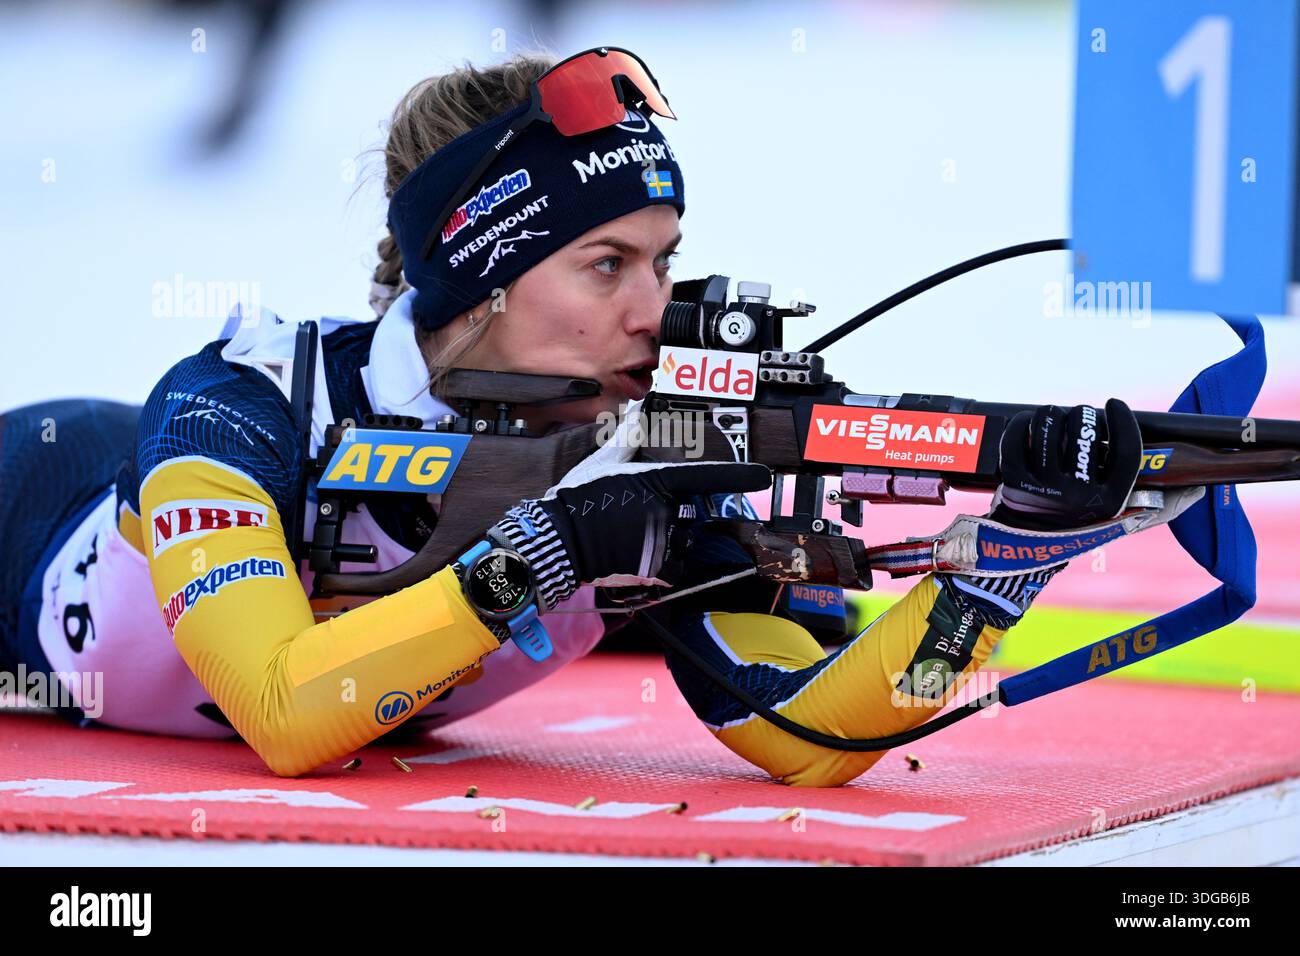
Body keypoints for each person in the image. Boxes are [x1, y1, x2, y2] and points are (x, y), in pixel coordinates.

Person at [0, 48, 1142, 785]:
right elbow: (284, 711)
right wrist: (553, 549)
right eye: (605, 264)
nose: (657, 310)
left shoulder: (642, 433)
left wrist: (1006, 559)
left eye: (664, 260)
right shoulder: (244, 403)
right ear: (480, 275)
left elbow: (814, 735)